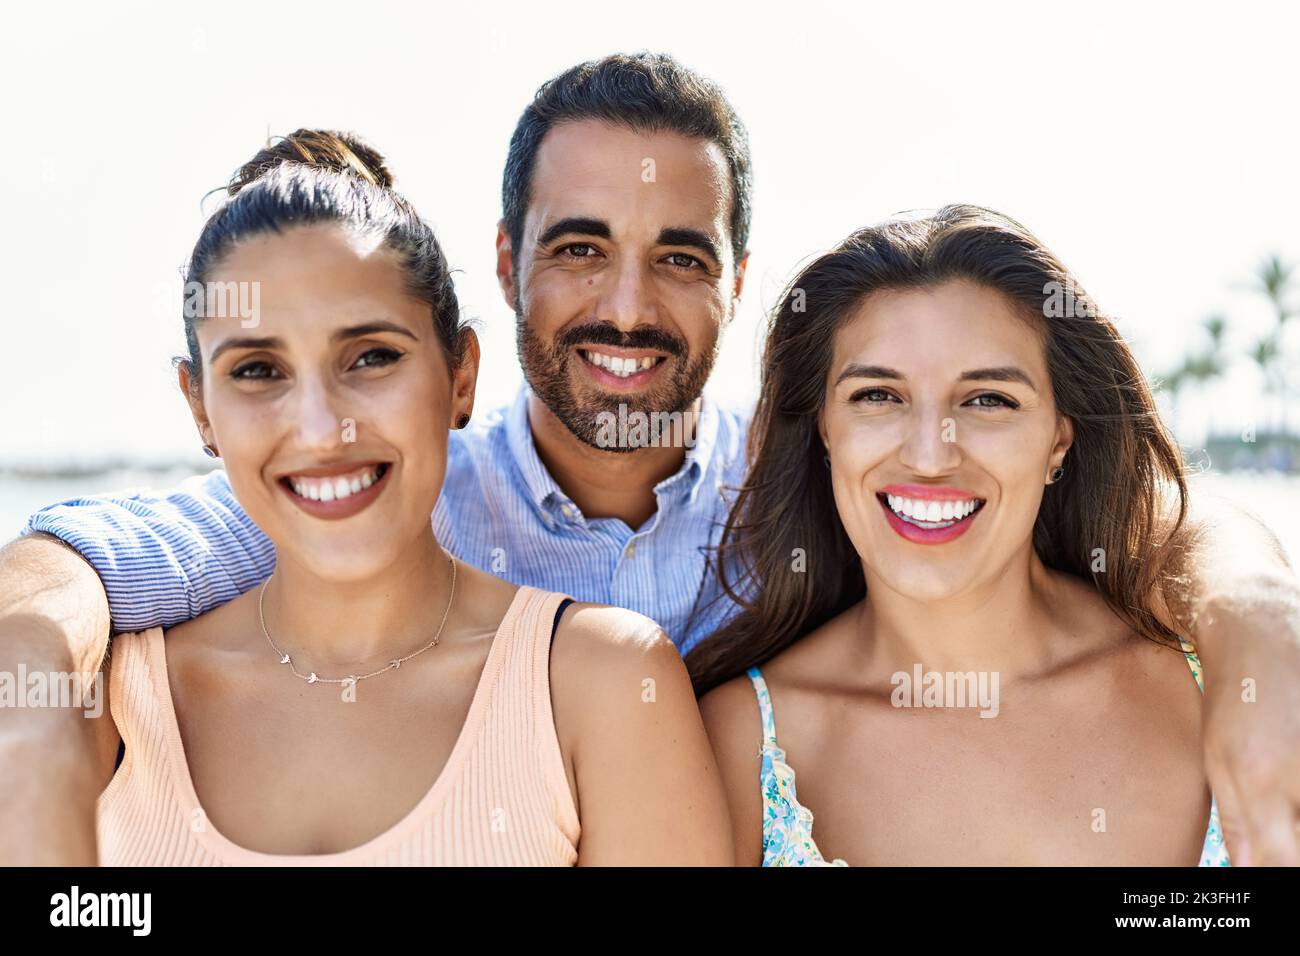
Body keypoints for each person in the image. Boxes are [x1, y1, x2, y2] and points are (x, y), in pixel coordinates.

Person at [2, 54, 1299, 866]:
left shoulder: (819, 499)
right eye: (577, 248)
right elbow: (103, 554)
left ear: (737, 279)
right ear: (503, 268)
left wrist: (1257, 611)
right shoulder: (384, 492)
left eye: (680, 255)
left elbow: (1107, 522)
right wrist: (34, 700)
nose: (627, 304)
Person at [86, 129, 731, 865]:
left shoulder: (604, 685)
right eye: (259, 371)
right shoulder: (100, 699)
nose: (324, 429)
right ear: (200, 409)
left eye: (372, 357)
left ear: (462, 376)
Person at [696, 205, 1248, 866]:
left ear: (1059, 439)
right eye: (878, 395)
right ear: (823, 430)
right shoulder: (743, 739)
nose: (931, 454)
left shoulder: (1223, 680)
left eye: (988, 399)